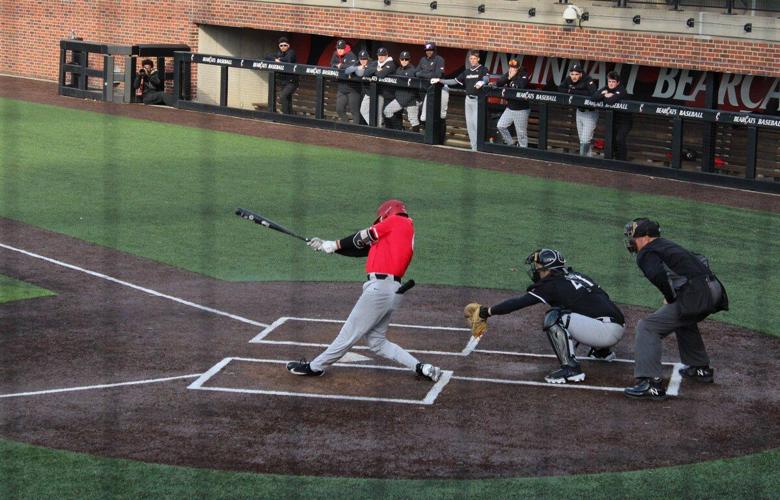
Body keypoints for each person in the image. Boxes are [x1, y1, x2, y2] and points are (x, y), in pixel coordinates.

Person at [286, 200, 442, 382]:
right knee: (378, 342)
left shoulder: (396, 221)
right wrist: (327, 247)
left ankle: (315, 367)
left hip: (380, 289)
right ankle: (423, 368)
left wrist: (334, 244)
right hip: (392, 289)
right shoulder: (400, 230)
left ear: (387, 213)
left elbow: (363, 236)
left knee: (349, 332)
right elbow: (361, 249)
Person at [467, 249, 625, 384]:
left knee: (554, 317)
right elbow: (602, 298)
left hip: (605, 333)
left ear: (548, 269)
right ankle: (602, 351)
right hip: (617, 325)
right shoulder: (576, 276)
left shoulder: (551, 285)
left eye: (538, 267)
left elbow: (518, 303)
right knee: (578, 307)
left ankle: (571, 369)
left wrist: (487, 312)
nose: (536, 270)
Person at [622, 218, 728, 400]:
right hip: (715, 289)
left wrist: (671, 297)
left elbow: (657, 275)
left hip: (698, 295)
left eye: (634, 237)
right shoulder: (667, 245)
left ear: (645, 237)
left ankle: (651, 384)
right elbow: (701, 259)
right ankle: (700, 368)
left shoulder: (647, 251)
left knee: (648, 327)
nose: (632, 242)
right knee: (683, 318)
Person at [432, 50, 488, 151]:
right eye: (471, 58)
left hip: (478, 100)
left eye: (475, 58)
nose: (473, 60)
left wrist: (482, 82)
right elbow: (454, 81)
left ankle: (479, 148)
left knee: (476, 125)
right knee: (470, 125)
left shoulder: (483, 69)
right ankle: (474, 148)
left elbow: (486, 78)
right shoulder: (466, 72)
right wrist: (440, 80)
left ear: (478, 59)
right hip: (468, 100)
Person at [558, 63, 599, 156]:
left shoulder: (587, 79)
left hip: (590, 113)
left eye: (576, 74)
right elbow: (560, 89)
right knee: (582, 139)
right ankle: (588, 159)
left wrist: (573, 91)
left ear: (581, 74)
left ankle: (583, 160)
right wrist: (574, 91)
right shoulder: (569, 79)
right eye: (572, 74)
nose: (574, 76)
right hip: (579, 112)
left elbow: (593, 93)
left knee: (585, 140)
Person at [489, 58, 530, 147]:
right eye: (511, 67)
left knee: (521, 134)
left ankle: (523, 152)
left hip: (521, 109)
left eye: (514, 67)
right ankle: (511, 144)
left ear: (518, 67)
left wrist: (513, 77)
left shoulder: (523, 74)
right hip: (510, 108)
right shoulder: (509, 73)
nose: (512, 69)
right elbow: (499, 83)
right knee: (501, 126)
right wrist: (508, 78)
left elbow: (520, 86)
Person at [594, 71, 633, 161]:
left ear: (617, 82)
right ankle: (614, 158)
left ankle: (622, 160)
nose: (611, 84)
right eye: (609, 81)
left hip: (625, 121)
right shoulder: (606, 88)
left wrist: (606, 96)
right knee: (612, 140)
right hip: (614, 120)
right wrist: (604, 94)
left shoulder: (622, 90)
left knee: (619, 139)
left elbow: (610, 101)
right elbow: (594, 97)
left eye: (613, 82)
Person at [416, 42, 449, 140]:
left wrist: (423, 73)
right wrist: (428, 73)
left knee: (441, 115)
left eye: (430, 50)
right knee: (423, 116)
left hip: (441, 89)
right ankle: (429, 135)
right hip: (429, 89)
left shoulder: (439, 59)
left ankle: (441, 139)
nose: (428, 52)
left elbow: (437, 75)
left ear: (434, 50)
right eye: (427, 50)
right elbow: (416, 72)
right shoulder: (423, 59)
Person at [383, 51, 420, 131]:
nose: (404, 61)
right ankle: (399, 129)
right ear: (400, 59)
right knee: (387, 111)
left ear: (409, 60)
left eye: (406, 59)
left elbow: (416, 87)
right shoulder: (398, 70)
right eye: (402, 59)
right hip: (400, 98)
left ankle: (417, 136)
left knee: (413, 120)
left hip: (411, 99)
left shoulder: (413, 70)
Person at [360, 47, 396, 127]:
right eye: (379, 55)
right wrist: (376, 69)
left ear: (387, 55)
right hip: (371, 91)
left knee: (379, 113)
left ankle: (378, 129)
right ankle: (373, 126)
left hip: (383, 93)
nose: (380, 57)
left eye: (382, 55)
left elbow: (381, 74)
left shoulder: (391, 64)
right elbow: (365, 73)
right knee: (363, 110)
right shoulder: (375, 63)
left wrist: (373, 72)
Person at [264, 36, 298, 115]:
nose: (283, 47)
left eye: (285, 45)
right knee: (287, 99)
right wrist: (275, 59)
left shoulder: (291, 52)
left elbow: (288, 59)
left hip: (292, 81)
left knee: (283, 96)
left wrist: (279, 60)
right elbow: (267, 56)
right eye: (281, 45)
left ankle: (285, 116)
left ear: (288, 46)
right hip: (283, 81)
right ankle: (289, 116)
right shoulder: (278, 53)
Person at [331, 39, 360, 123]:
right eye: (338, 48)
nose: (339, 50)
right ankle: (346, 125)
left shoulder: (351, 55)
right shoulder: (335, 54)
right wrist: (337, 66)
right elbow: (332, 65)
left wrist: (341, 66)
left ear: (345, 48)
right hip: (342, 87)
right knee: (339, 109)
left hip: (352, 88)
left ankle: (356, 128)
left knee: (354, 110)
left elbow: (353, 67)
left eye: (341, 48)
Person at [343, 49, 371, 124]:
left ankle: (375, 127)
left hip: (375, 92)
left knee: (376, 113)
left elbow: (360, 74)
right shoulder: (358, 63)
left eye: (364, 59)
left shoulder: (372, 63)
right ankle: (372, 126)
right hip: (366, 92)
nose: (363, 61)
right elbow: (347, 71)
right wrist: (357, 68)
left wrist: (361, 68)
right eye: (361, 59)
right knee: (363, 111)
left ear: (368, 58)